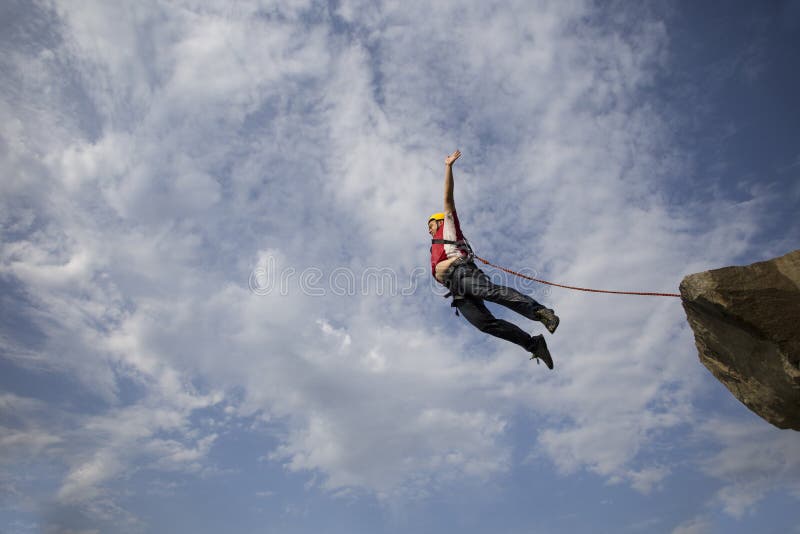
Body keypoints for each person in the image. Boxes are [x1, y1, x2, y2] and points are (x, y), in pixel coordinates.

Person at [429, 149, 560, 368]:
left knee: (490, 292)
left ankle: (540, 312)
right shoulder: (433, 245)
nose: (429, 229)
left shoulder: (448, 228)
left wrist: (448, 167)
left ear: (440, 221)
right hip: (456, 289)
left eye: (431, 224)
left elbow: (447, 198)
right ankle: (533, 344)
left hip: (462, 272)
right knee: (484, 324)